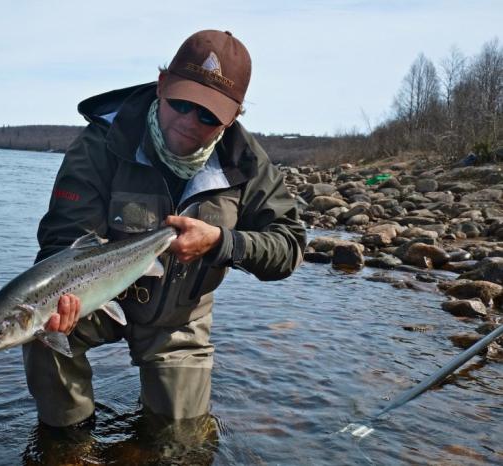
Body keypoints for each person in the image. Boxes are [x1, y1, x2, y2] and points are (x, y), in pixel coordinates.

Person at [22, 29, 306, 428]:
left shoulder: (247, 164)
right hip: (93, 297)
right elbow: (65, 240)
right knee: (42, 332)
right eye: (182, 104)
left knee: (179, 441)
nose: (190, 121)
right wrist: (60, 300)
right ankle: (70, 442)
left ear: (234, 117)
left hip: (180, 319)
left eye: (209, 115)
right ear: (161, 86)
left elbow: (290, 246)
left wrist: (222, 242)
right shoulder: (101, 143)